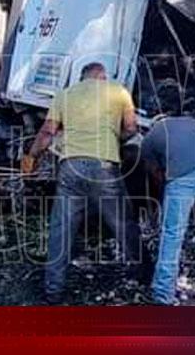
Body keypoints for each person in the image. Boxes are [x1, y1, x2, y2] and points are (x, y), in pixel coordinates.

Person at [22, 62, 144, 304]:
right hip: (104, 166)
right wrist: (113, 138)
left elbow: (47, 133)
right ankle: (142, 274)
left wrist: (31, 157)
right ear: (103, 76)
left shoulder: (64, 95)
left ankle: (53, 290)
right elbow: (131, 129)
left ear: (82, 77)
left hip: (71, 167)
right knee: (123, 223)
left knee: (61, 229)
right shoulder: (119, 91)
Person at [140, 84, 195, 305]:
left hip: (185, 175)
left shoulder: (151, 136)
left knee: (173, 233)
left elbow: (156, 175)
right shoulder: (192, 122)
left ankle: (163, 293)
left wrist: (163, 199)